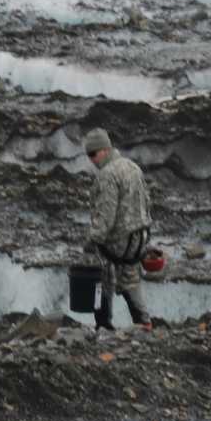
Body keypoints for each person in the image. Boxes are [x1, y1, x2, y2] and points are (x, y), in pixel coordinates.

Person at [83, 129, 153, 331]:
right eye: (89, 155)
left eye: (93, 154)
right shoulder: (132, 167)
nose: (92, 160)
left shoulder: (107, 175)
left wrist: (92, 240)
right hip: (139, 236)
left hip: (119, 240)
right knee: (130, 278)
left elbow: (106, 215)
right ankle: (144, 322)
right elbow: (147, 201)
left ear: (105, 149)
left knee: (101, 276)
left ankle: (103, 324)